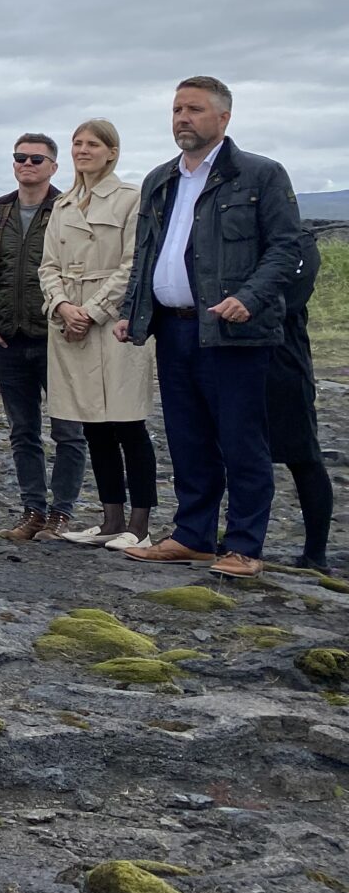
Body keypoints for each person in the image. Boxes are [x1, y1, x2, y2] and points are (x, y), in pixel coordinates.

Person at [116, 77, 302, 579]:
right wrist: (131, 312)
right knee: (187, 438)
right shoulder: (160, 179)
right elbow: (146, 256)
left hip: (233, 331)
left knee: (241, 439)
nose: (182, 118)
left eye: (194, 109)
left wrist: (249, 297)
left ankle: (243, 545)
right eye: (177, 109)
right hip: (174, 330)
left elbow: (288, 249)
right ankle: (192, 537)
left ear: (223, 118)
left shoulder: (259, 174)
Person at [43, 122, 161, 551]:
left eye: (92, 144)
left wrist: (91, 312)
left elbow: (134, 265)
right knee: (92, 423)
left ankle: (140, 524)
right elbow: (48, 265)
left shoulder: (132, 199)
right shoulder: (63, 205)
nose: (82, 150)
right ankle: (110, 518)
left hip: (116, 323)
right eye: (77, 143)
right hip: (68, 321)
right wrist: (61, 306)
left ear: (112, 152)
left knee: (128, 422)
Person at [0, 134, 89, 541]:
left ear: (54, 166)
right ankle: (32, 511)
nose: (27, 164)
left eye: (36, 159)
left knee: (68, 431)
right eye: (20, 157)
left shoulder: (69, 208)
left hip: (56, 338)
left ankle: (61, 514)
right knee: (22, 431)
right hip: (7, 337)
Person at [270, 226, 334, 569]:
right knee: (236, 455)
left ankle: (316, 553)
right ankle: (239, 540)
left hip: (284, 359)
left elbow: (290, 298)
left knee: (303, 455)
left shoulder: (298, 241)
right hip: (230, 355)